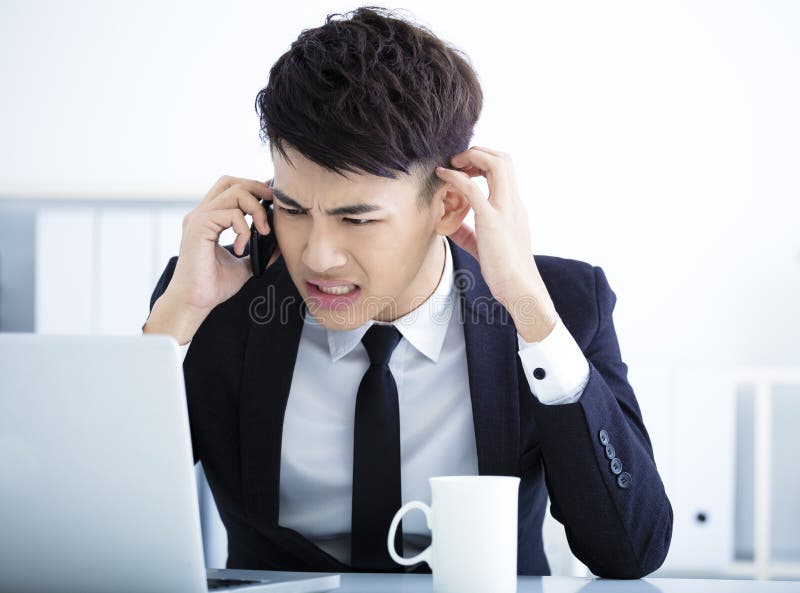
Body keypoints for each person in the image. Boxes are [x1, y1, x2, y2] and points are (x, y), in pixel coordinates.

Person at [143, 5, 672, 579]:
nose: (317, 256)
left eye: (358, 220)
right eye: (293, 209)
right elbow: (102, 517)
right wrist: (174, 323)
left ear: (447, 205)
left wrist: (530, 311)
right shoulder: (215, 301)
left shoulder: (561, 302)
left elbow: (629, 551)